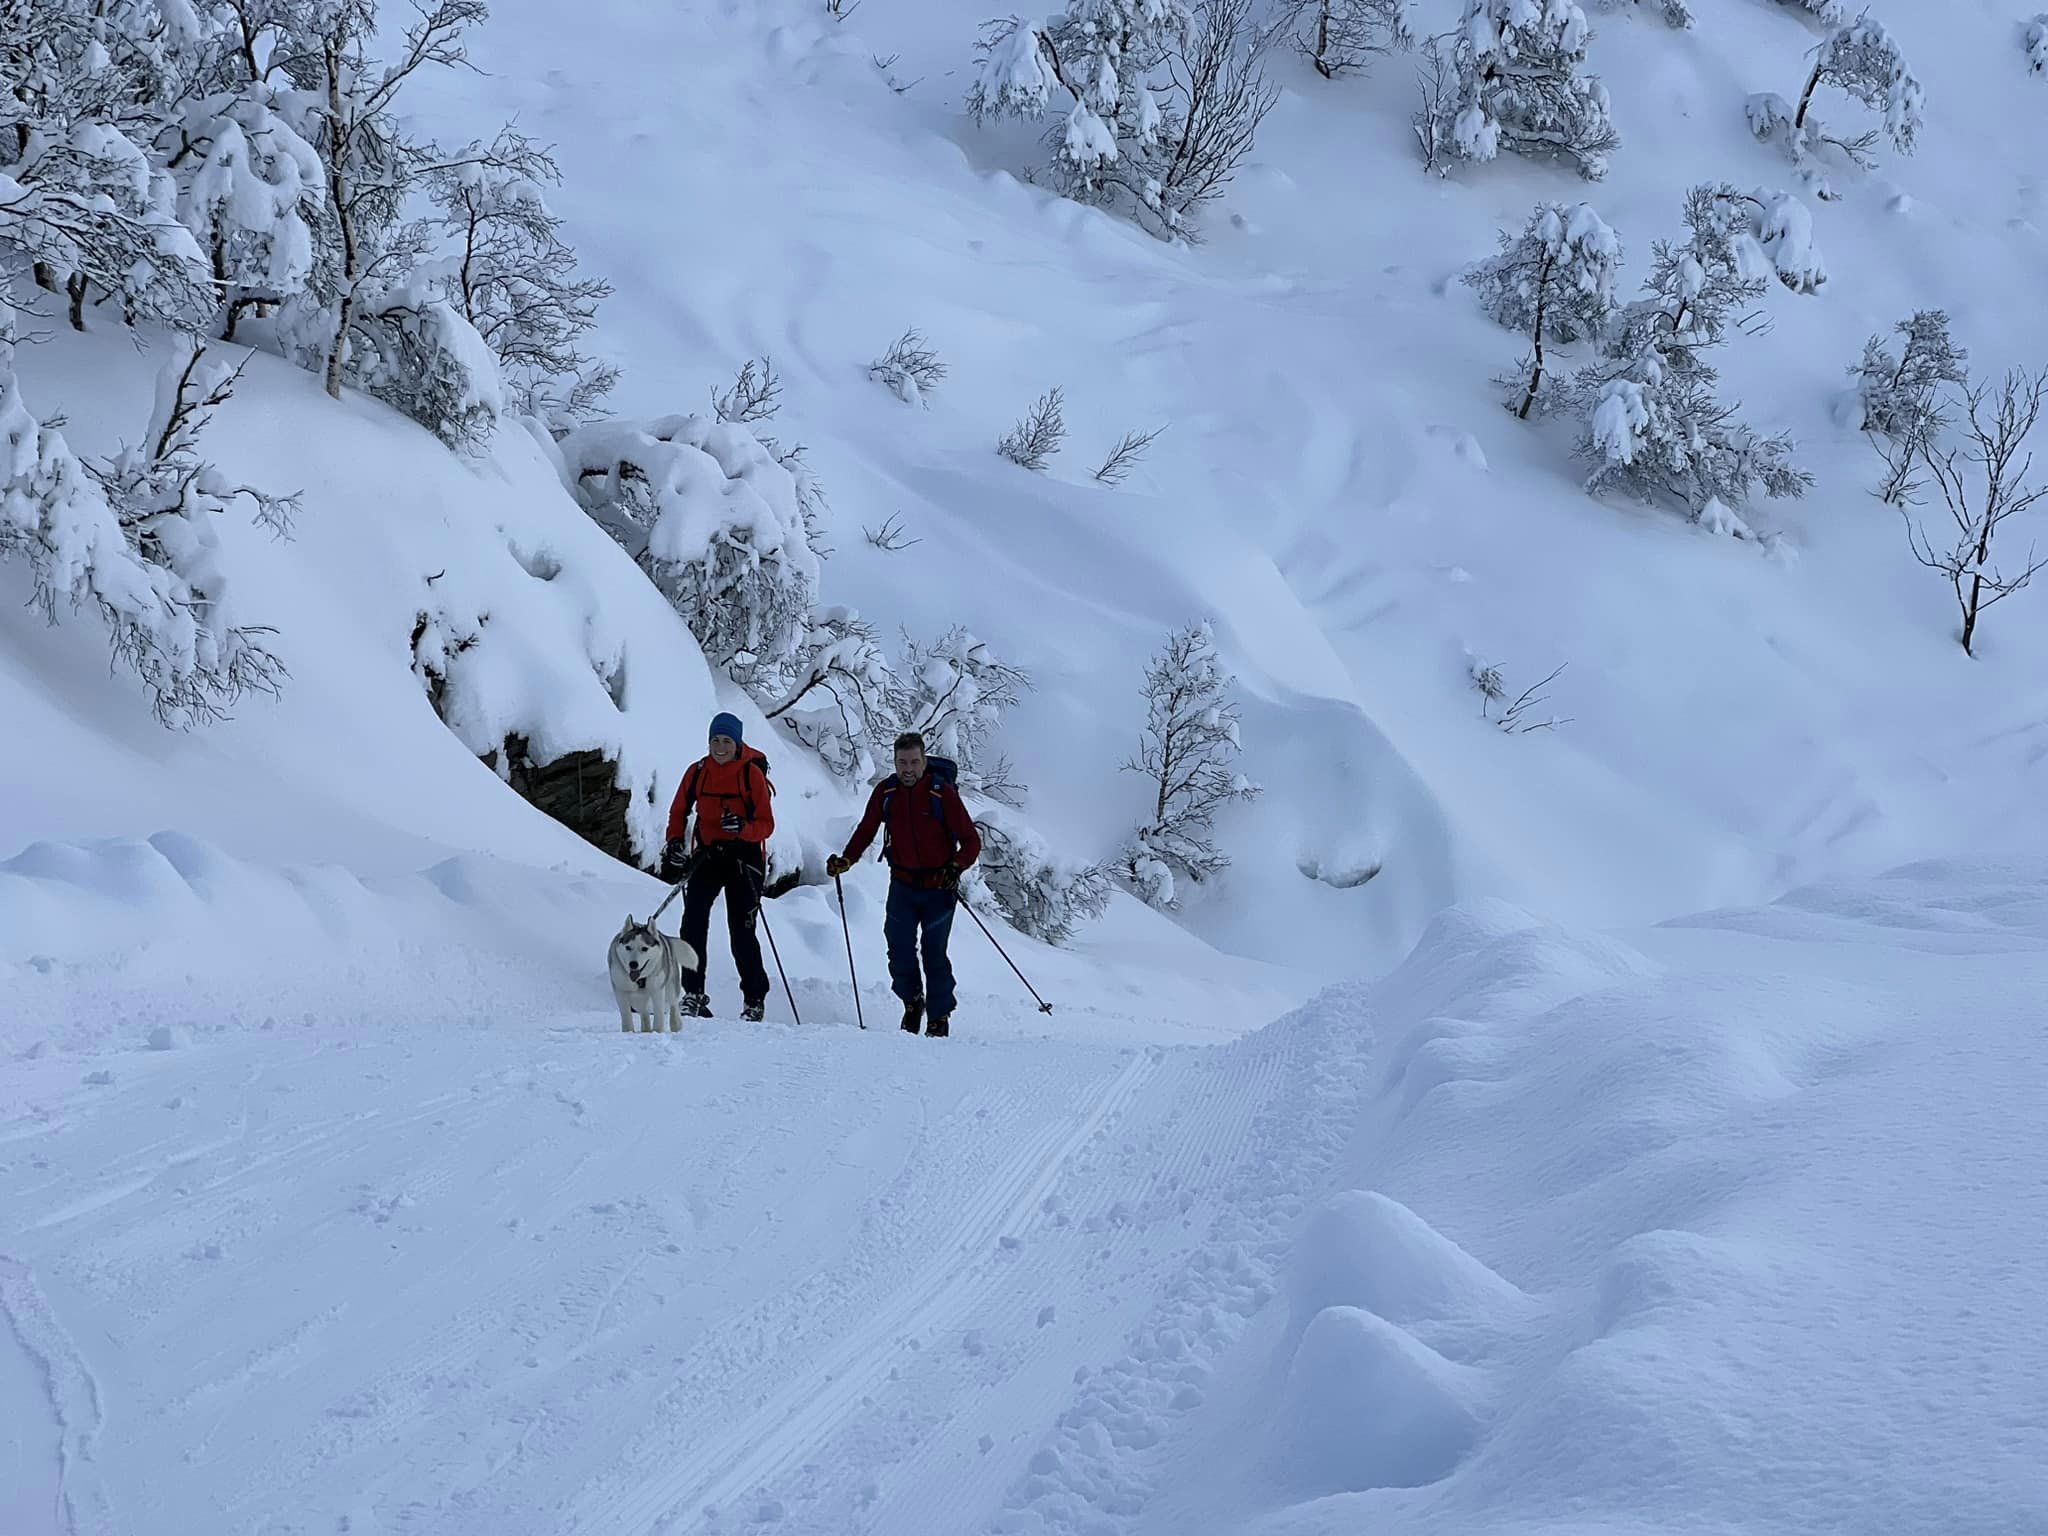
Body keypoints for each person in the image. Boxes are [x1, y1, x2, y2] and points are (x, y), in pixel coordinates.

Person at [826, 732, 981, 1037]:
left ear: (924, 761)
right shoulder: (887, 792)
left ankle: (939, 1017)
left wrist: (956, 866)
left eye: (913, 762)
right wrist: (847, 859)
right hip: (902, 885)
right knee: (899, 950)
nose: (908, 768)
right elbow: (866, 829)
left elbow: (971, 841)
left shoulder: (941, 793)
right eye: (901, 762)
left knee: (934, 952)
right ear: (894, 762)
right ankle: (912, 1003)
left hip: (939, 886)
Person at [662, 712, 774, 1022]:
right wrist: (674, 841)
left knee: (742, 931)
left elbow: (766, 824)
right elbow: (678, 811)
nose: (720, 747)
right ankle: (693, 994)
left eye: (727, 741)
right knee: (693, 924)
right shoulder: (698, 772)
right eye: (715, 740)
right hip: (708, 855)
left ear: (737, 743)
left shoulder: (751, 774)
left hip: (744, 858)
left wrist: (741, 827)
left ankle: (754, 1000)